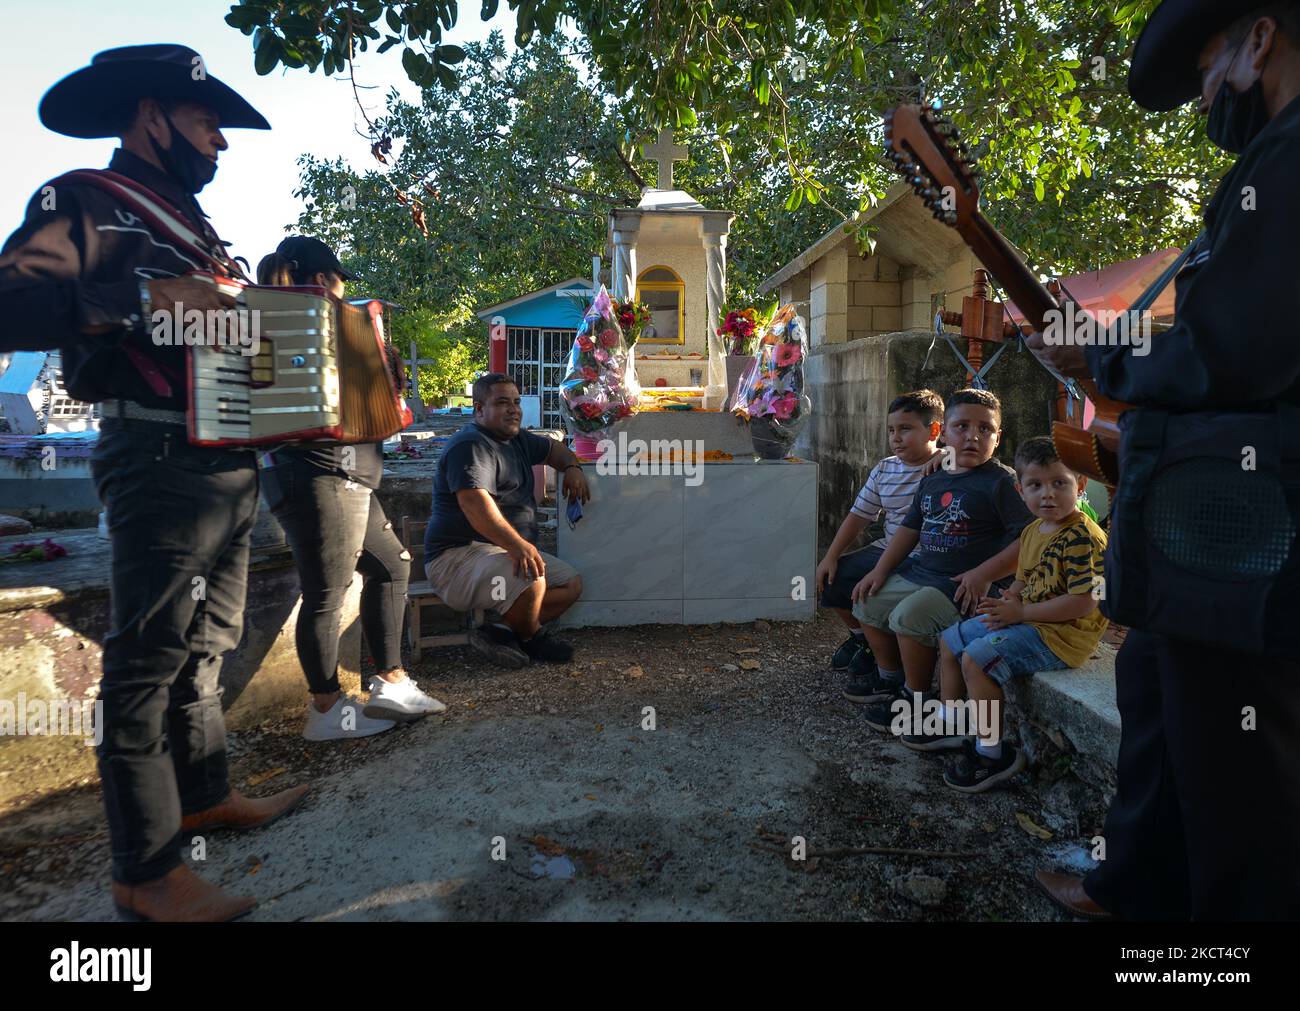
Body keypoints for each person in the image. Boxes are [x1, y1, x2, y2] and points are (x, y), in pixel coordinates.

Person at [0, 45, 308, 921]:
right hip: (156, 459)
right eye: (209, 121)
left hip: (225, 466)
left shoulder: (199, 231)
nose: (221, 141)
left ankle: (206, 796)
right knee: (145, 664)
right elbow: (13, 300)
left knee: (206, 645)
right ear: (151, 115)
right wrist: (145, 301)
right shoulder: (83, 200)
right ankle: (144, 869)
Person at [1030, 0, 1300, 920]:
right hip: (1212, 535)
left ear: (1260, 39)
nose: (1204, 100)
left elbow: (1232, 348)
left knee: (1240, 772)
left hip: (1250, 536)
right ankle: (1136, 886)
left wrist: (1099, 360)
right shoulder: (1268, 163)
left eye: (1206, 71)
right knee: (1157, 691)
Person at [255, 237, 445, 741]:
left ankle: (390, 680)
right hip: (318, 476)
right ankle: (326, 710)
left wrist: (386, 376)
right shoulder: (282, 324)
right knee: (328, 591)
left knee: (392, 565)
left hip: (347, 479)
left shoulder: (324, 327)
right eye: (340, 283)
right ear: (321, 282)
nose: (344, 293)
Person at [901, 437, 1108, 795]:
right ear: (1021, 489)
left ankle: (991, 753)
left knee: (977, 659)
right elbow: (1025, 577)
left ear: (1081, 484)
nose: (1048, 495)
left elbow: (1084, 602)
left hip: (1062, 635)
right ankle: (953, 721)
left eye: (1060, 483)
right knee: (951, 639)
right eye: (1036, 485)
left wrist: (1021, 611)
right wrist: (1010, 599)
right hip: (1028, 618)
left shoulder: (1082, 537)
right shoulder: (1033, 530)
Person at [849, 389, 1034, 730]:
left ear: (998, 437)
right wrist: (880, 570)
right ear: (944, 433)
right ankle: (891, 676)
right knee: (867, 601)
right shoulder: (934, 476)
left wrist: (983, 574)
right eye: (961, 426)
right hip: (925, 571)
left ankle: (915, 699)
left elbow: (1030, 538)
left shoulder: (1001, 482)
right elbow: (910, 528)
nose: (972, 436)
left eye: (985, 429)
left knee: (910, 616)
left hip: (965, 584)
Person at [424, 373, 589, 666]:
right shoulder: (471, 445)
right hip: (457, 557)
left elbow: (555, 451)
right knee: (531, 577)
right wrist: (518, 546)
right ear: (478, 409)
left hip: (498, 553)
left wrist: (573, 467)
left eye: (516, 402)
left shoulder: (517, 439)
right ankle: (532, 640)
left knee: (570, 584)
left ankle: (500, 631)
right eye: (502, 403)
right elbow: (475, 504)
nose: (513, 409)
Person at [815, 390, 944, 699]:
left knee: (869, 593)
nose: (896, 438)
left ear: (935, 430)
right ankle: (863, 642)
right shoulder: (885, 468)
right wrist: (831, 556)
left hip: (924, 556)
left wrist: (945, 454)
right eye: (891, 430)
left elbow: (976, 459)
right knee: (832, 578)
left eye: (906, 429)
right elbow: (860, 514)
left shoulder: (948, 467)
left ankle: (891, 670)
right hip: (887, 547)